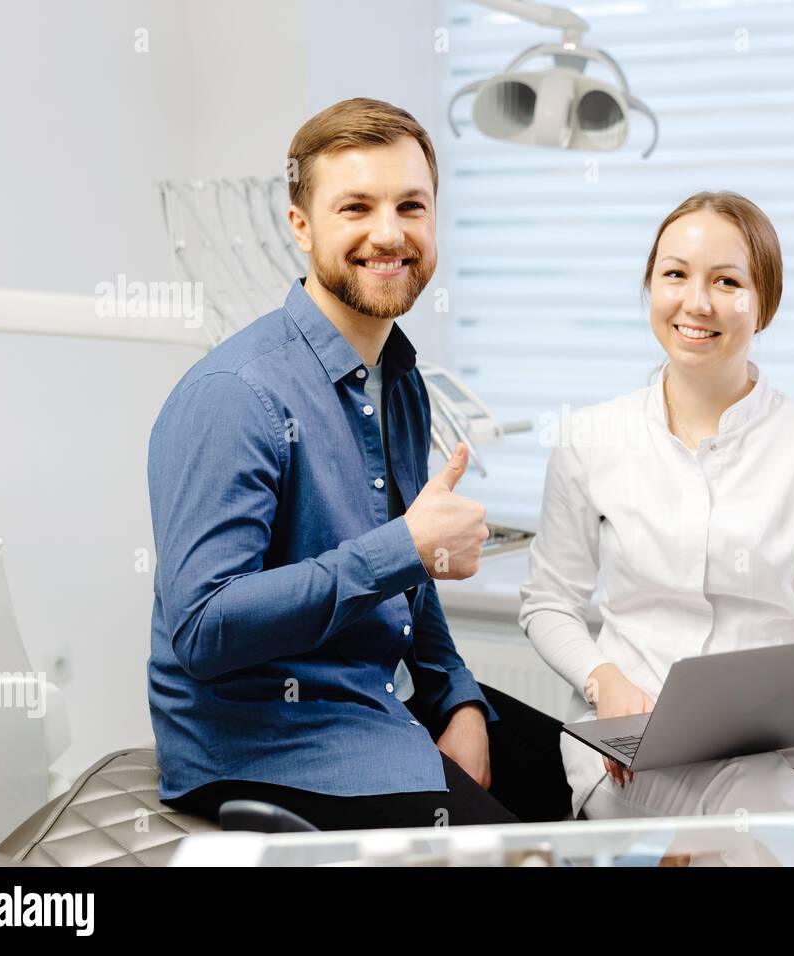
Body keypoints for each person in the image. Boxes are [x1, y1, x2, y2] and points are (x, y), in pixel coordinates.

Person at [148, 98, 570, 830]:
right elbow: (203, 631)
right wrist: (404, 546)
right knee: (523, 851)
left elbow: (409, 577)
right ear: (301, 226)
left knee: (586, 785)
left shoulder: (400, 382)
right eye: (356, 207)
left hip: (369, 705)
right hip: (269, 745)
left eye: (411, 205)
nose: (389, 232)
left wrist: (458, 696)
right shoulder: (235, 395)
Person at [519, 191, 794, 830]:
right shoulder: (589, 437)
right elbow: (548, 600)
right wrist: (601, 680)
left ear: (764, 304)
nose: (696, 303)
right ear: (650, 287)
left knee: (746, 830)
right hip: (635, 751)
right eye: (675, 275)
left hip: (785, 759)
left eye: (727, 281)